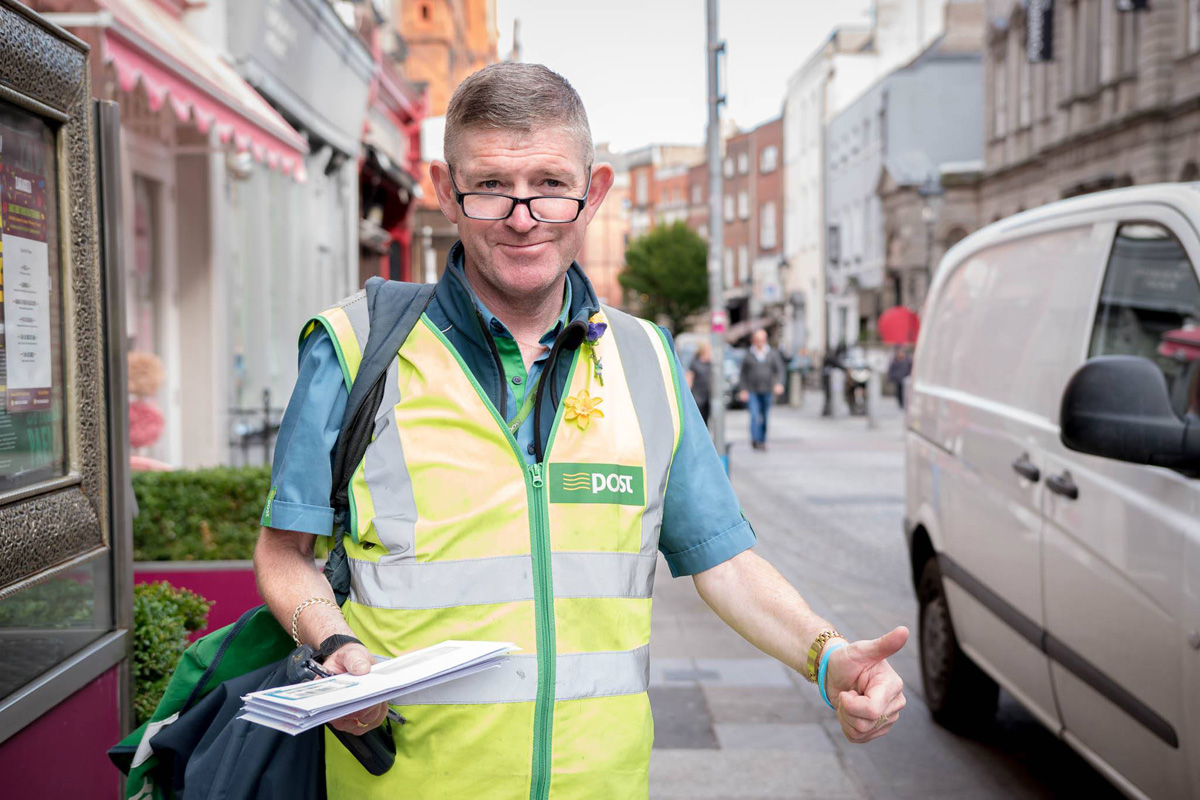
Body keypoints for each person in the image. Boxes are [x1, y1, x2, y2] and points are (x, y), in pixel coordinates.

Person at [254, 63, 906, 799]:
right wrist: (332, 641)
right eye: (491, 185)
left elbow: (725, 563)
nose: (523, 215)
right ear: (445, 190)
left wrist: (828, 656)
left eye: (550, 184)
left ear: (592, 192)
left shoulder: (645, 360)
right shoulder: (354, 345)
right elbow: (285, 555)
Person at [738, 329, 786, 450]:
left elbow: (780, 370)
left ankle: (762, 439)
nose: (760, 342)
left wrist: (779, 384)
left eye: (762, 340)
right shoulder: (749, 355)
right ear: (753, 341)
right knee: (754, 416)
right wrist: (742, 390)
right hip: (752, 390)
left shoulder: (772, 354)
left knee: (764, 417)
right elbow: (743, 374)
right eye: (758, 340)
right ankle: (755, 440)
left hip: (767, 390)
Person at [685, 340, 713, 424]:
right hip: (698, 396)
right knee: (698, 419)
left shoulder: (712, 364)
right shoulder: (695, 363)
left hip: (708, 396)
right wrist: (687, 395)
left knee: (706, 419)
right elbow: (689, 378)